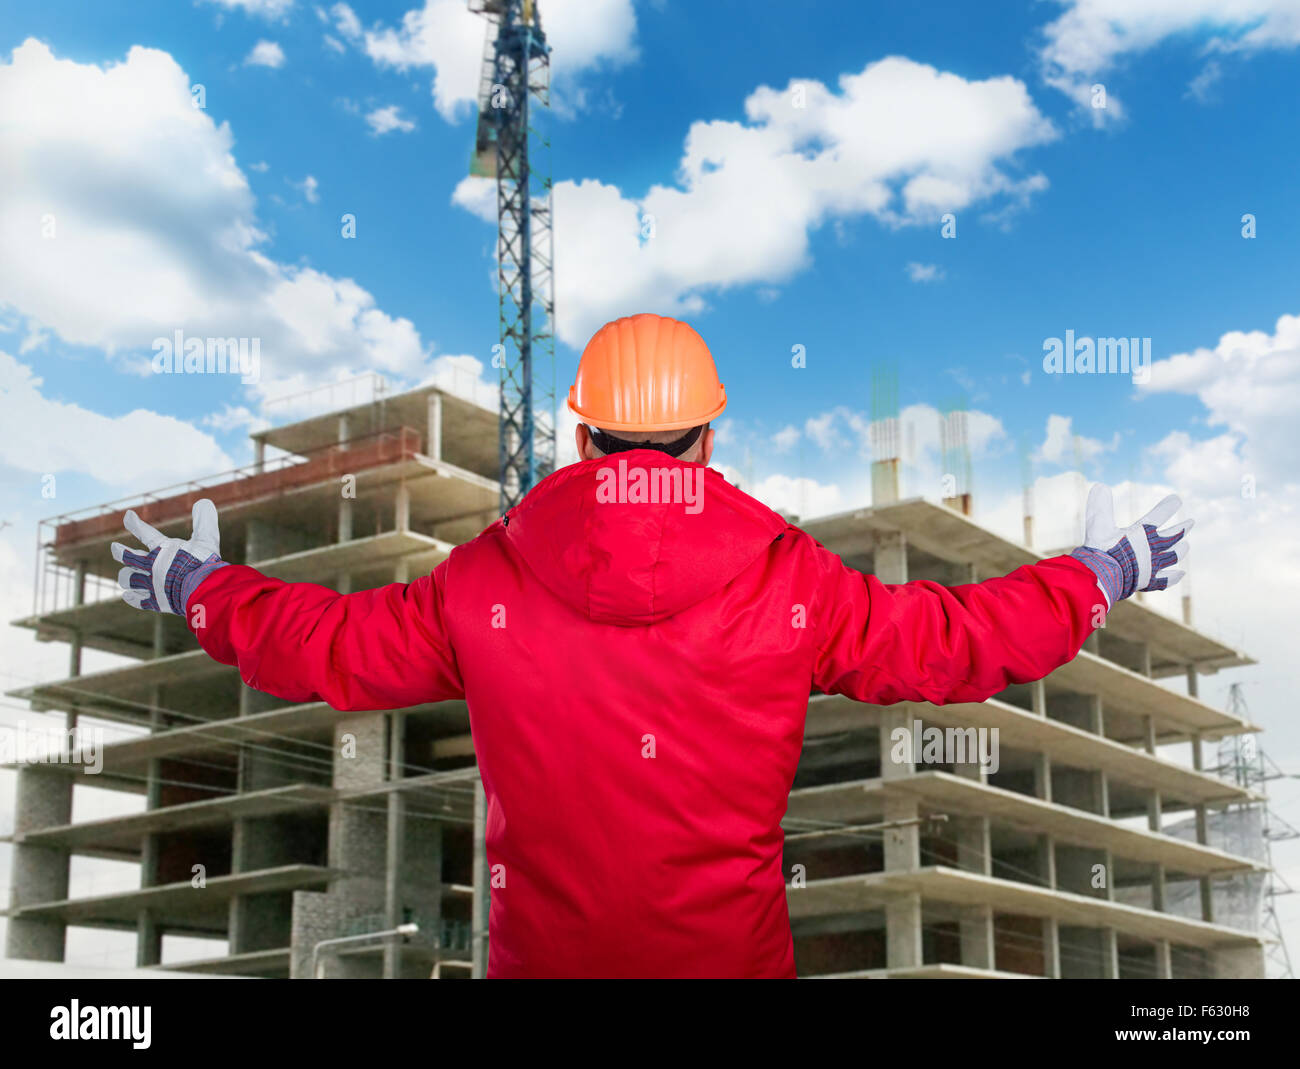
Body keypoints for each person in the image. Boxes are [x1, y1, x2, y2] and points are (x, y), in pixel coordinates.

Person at [112, 312, 1191, 978]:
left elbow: (328, 647)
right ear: (708, 435)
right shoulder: (786, 582)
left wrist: (194, 586)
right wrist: (1100, 574)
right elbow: (955, 643)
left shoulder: (489, 580)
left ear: (582, 437)